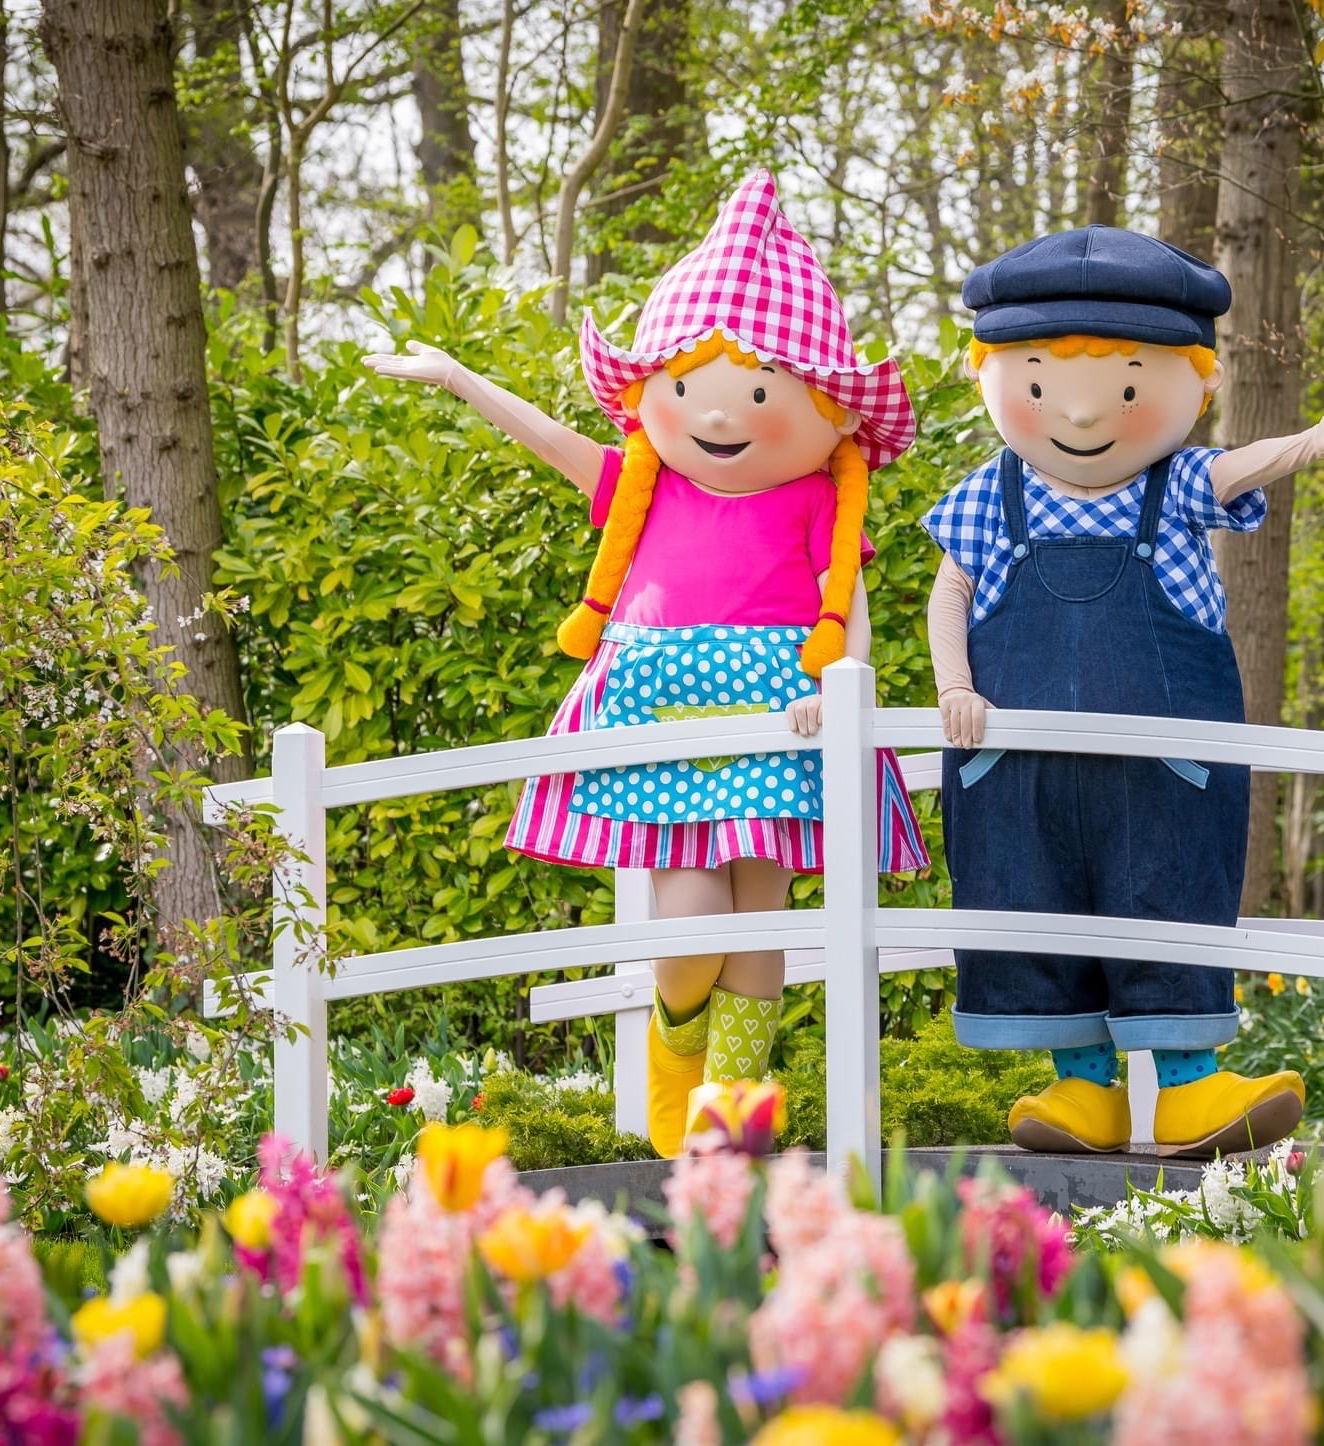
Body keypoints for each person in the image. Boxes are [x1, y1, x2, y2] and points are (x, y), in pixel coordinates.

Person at [367, 171, 927, 1157]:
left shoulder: (815, 502)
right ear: (649, 394)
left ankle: (732, 1107)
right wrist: (458, 377)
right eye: (688, 390)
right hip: (663, 712)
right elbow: (546, 439)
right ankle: (677, 1055)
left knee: (760, 916)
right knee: (692, 918)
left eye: (761, 393)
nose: (722, 416)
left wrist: (838, 694)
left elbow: (853, 606)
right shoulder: (643, 483)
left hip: (782, 715)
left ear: (830, 413)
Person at [924, 225, 1324, 1157]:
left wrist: (1315, 441)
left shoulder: (1173, 487)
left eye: (1127, 387)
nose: (1086, 414)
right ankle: (1083, 1093)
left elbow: (1239, 467)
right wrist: (954, 683)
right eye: (1039, 384)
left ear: (1195, 381)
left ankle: (1189, 1090)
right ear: (994, 375)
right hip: (1018, 776)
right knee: (1033, 913)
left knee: (1167, 905)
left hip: (1161, 774)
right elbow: (952, 591)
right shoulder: (993, 494)